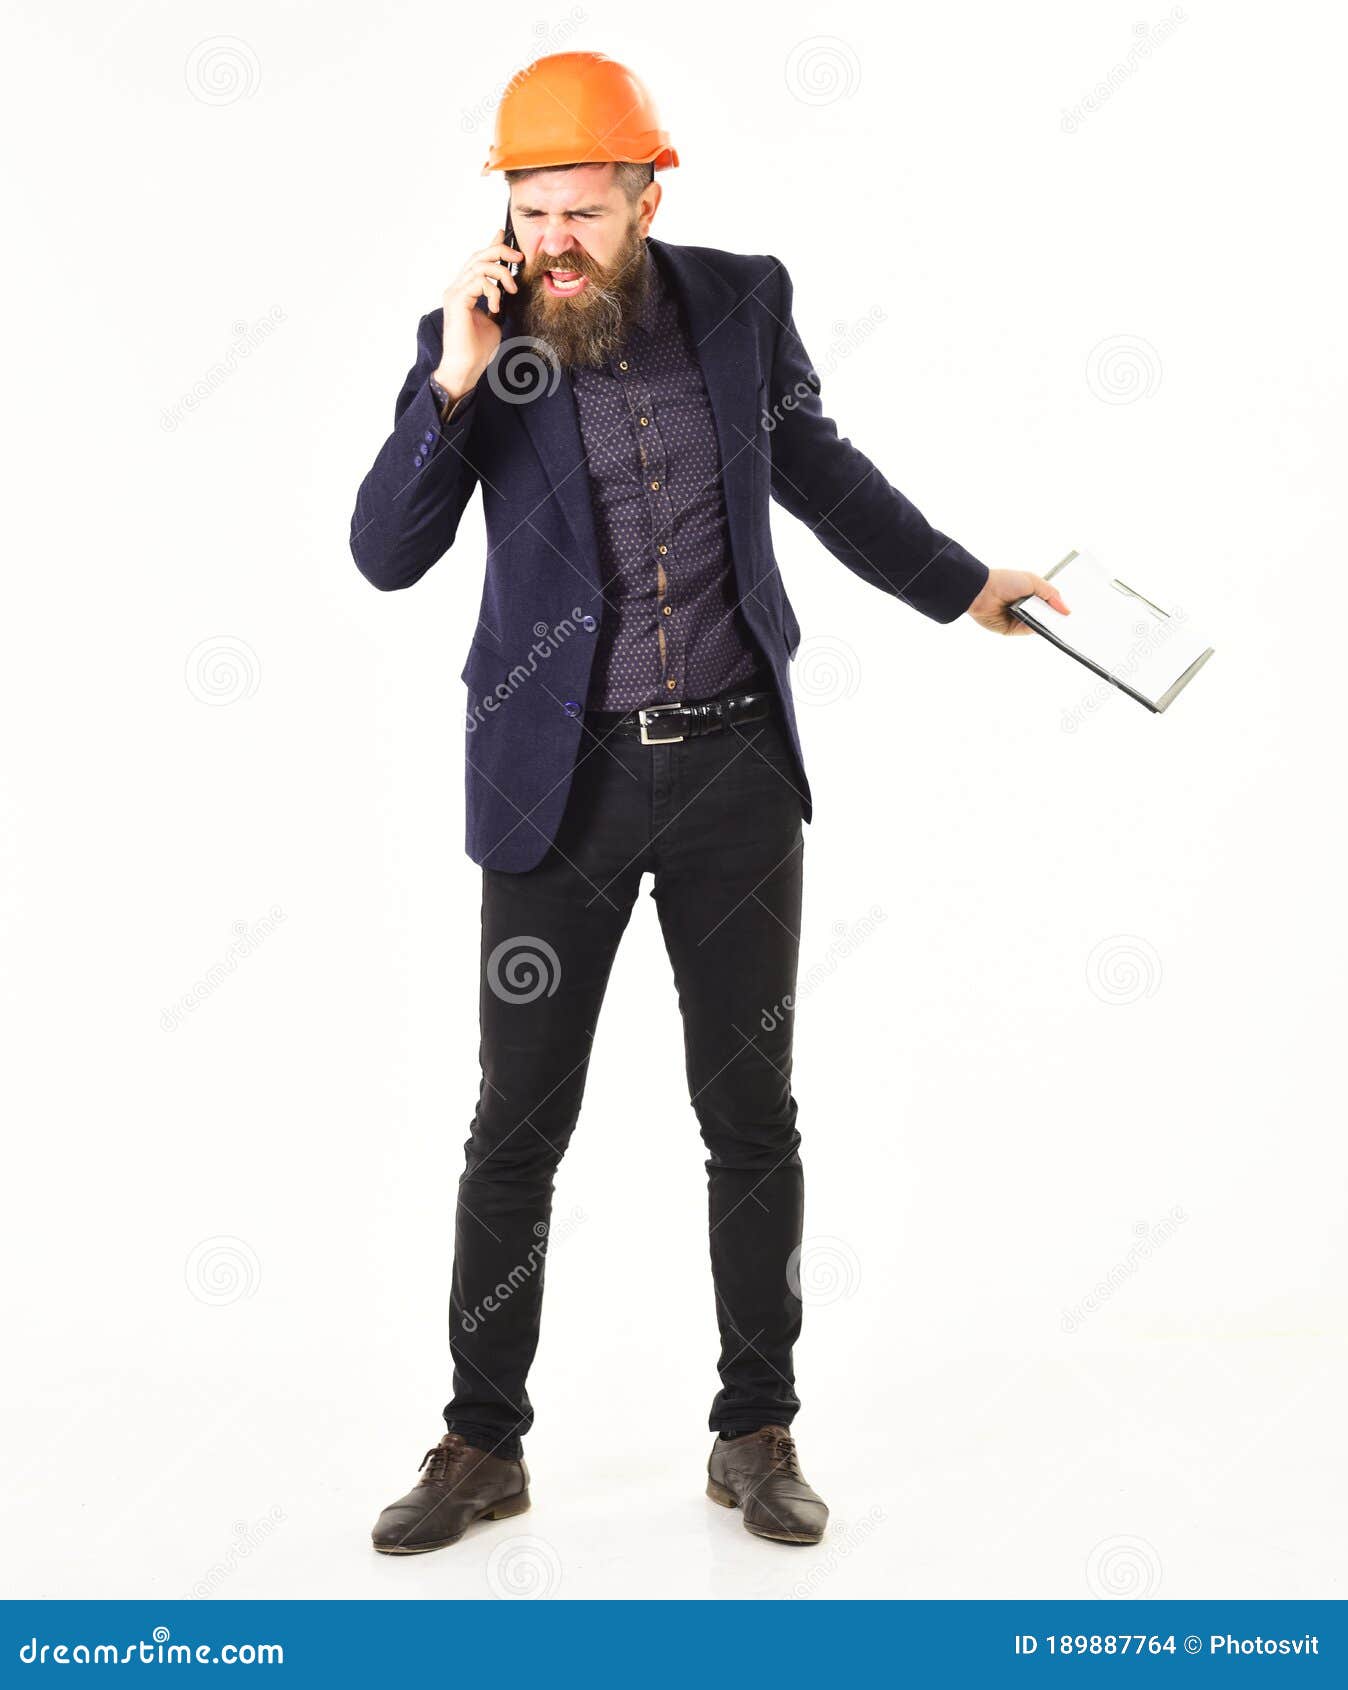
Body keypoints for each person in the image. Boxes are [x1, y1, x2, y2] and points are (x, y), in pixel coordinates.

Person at [351, 51, 1067, 1555]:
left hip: (737, 767)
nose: (553, 238)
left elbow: (820, 467)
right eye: (530, 208)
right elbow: (385, 552)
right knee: (513, 1130)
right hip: (561, 787)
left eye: (582, 211)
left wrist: (963, 587)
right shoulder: (477, 340)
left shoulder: (742, 304)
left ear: (647, 192)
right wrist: (454, 380)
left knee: (750, 1113)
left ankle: (757, 1429)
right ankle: (483, 1441)